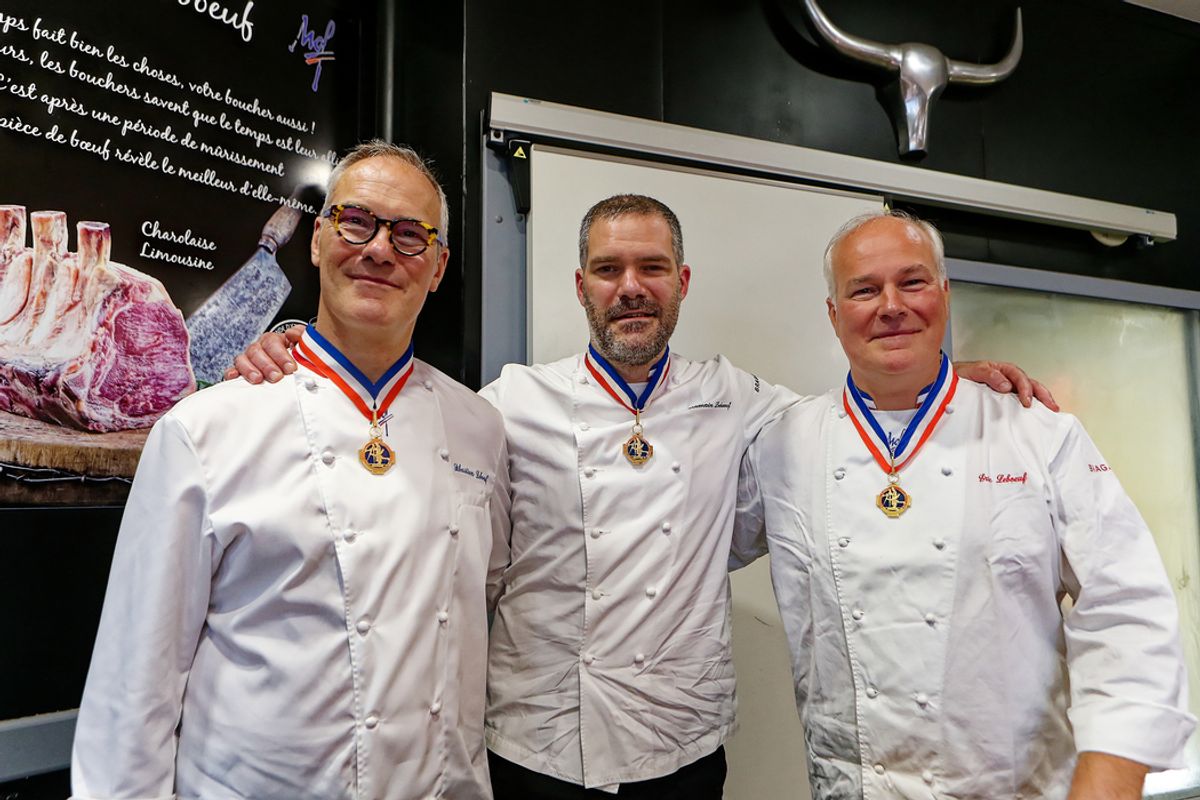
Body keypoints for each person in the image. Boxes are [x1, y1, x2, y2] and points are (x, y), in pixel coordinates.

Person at [229, 195, 1052, 798]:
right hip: (534, 747)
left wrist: (935, 378)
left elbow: (848, 424)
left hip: (678, 749)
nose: (631, 287)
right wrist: (288, 350)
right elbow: (398, 437)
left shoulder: (737, 400)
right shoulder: (509, 403)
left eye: (652, 268)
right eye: (609, 270)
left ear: (681, 282)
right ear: (580, 285)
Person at [71, 141, 510, 800]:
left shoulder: (479, 427)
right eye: (356, 222)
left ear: (439, 266)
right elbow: (135, 684)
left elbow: (482, 603)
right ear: (318, 239)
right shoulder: (205, 429)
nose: (379, 249)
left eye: (410, 235)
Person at [739, 210, 1196, 799]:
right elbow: (687, 541)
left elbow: (1124, 607)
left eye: (912, 282)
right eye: (864, 290)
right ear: (833, 314)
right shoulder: (783, 443)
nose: (891, 306)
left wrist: (1107, 782)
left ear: (945, 293)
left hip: (1016, 788)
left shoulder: (1037, 431)